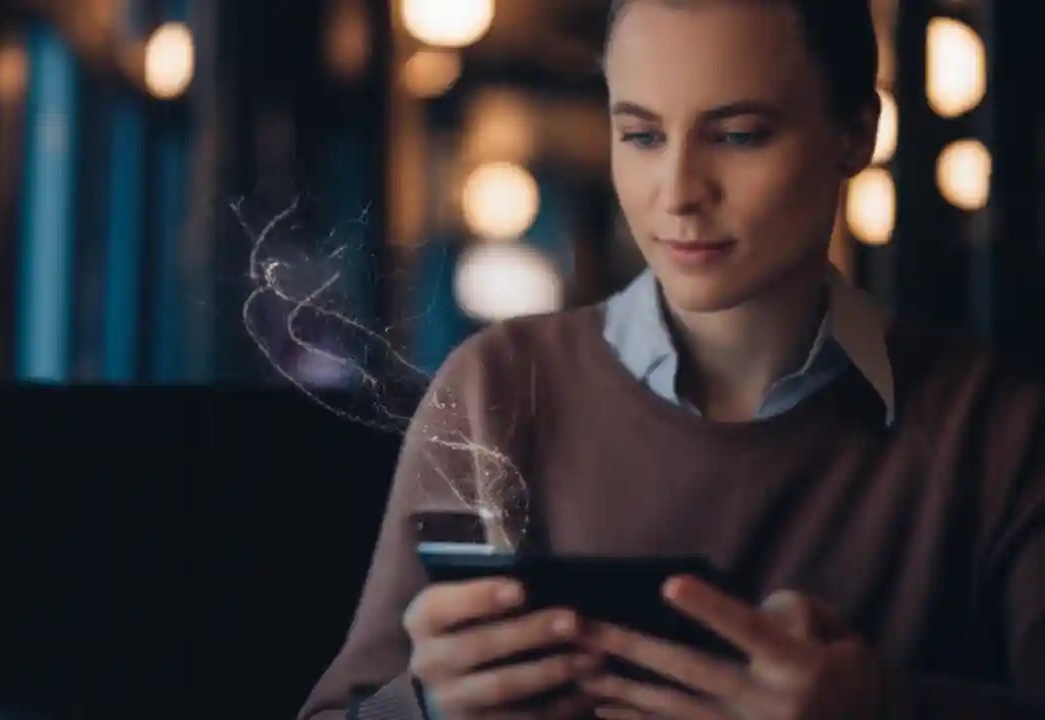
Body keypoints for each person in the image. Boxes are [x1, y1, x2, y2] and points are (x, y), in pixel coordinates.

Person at [299, 1, 1045, 718]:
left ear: (857, 134)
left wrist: (880, 711)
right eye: (643, 137)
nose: (679, 194)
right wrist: (428, 708)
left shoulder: (989, 425)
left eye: (739, 135)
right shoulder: (500, 387)